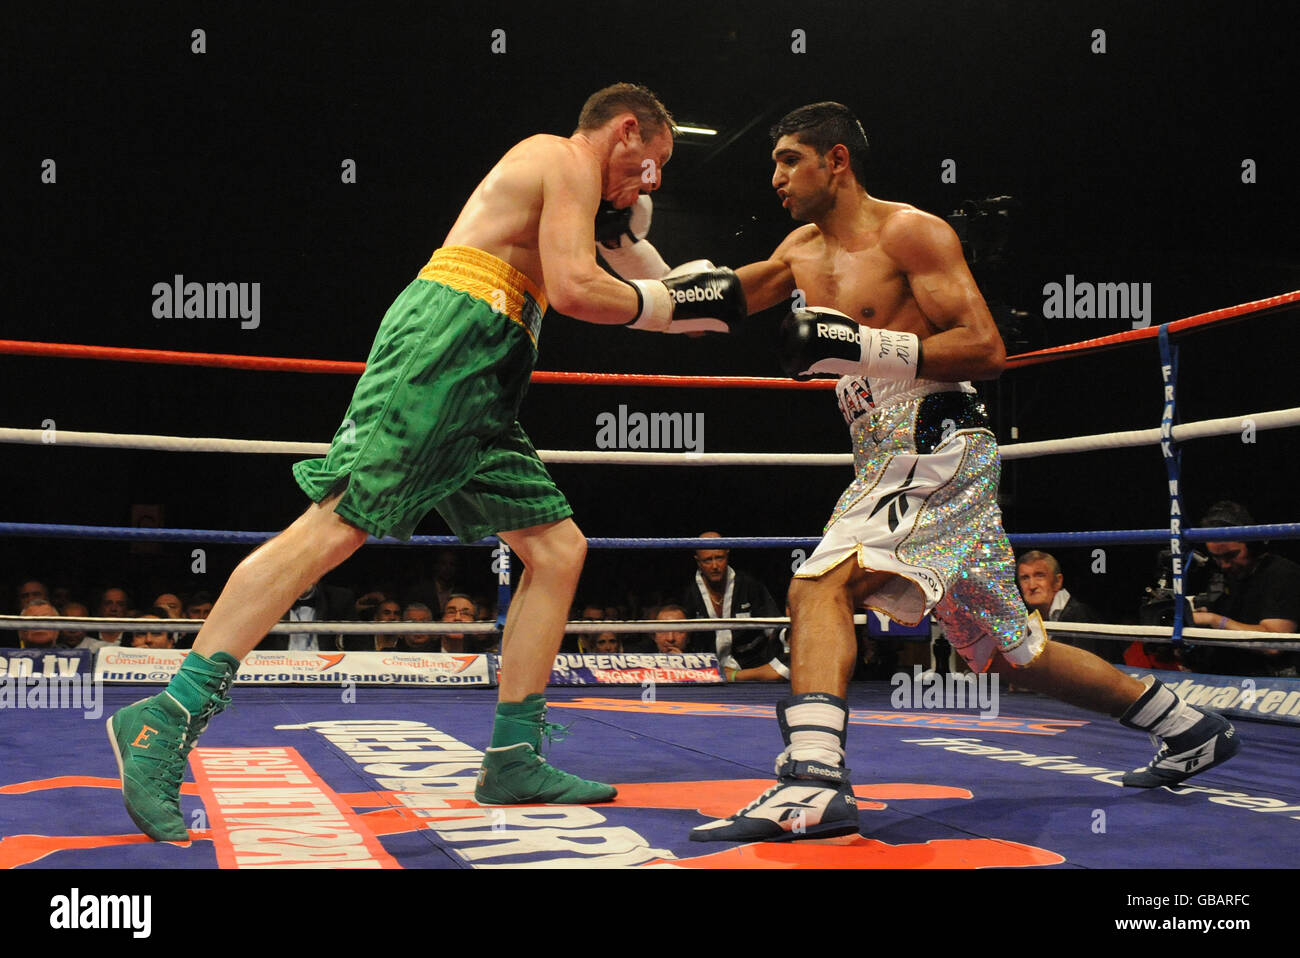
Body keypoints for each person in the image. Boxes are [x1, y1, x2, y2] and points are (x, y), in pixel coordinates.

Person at [106, 82, 747, 842]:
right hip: (448, 342)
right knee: (337, 527)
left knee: (557, 548)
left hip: (491, 363)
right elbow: (583, 291)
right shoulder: (562, 155)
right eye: (653, 163)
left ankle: (512, 754)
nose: (655, 181)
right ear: (626, 131)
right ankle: (166, 716)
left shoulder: (589, 201)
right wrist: (670, 300)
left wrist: (723, 293)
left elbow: (663, 295)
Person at [691, 102, 1238, 843]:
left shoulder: (909, 231)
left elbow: (984, 346)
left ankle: (811, 780)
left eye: (790, 159)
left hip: (933, 435)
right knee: (1018, 653)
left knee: (818, 582)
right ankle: (1186, 724)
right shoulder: (797, 250)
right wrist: (624, 287)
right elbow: (721, 298)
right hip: (887, 450)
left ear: (837, 160)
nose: (776, 176)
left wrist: (861, 344)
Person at [1187, 501, 1300, 676]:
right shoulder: (1222, 575)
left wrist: (1215, 620)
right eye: (1216, 557)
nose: (1224, 564)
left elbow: (1274, 644)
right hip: (1225, 678)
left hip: (1270, 684)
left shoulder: (1282, 574)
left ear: (1253, 545)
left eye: (1231, 555)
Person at [680, 532, 788, 681]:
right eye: (707, 560)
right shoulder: (688, 593)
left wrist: (789, 649)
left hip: (751, 671)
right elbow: (678, 632)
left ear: (727, 554)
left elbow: (776, 628)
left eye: (719, 558)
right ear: (697, 561)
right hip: (705, 674)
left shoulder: (749, 586)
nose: (715, 566)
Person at [1015, 550, 1115, 661]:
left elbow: (1081, 671)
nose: (1032, 586)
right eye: (1025, 578)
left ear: (1057, 581)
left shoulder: (1078, 614)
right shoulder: (1025, 621)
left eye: (1039, 576)